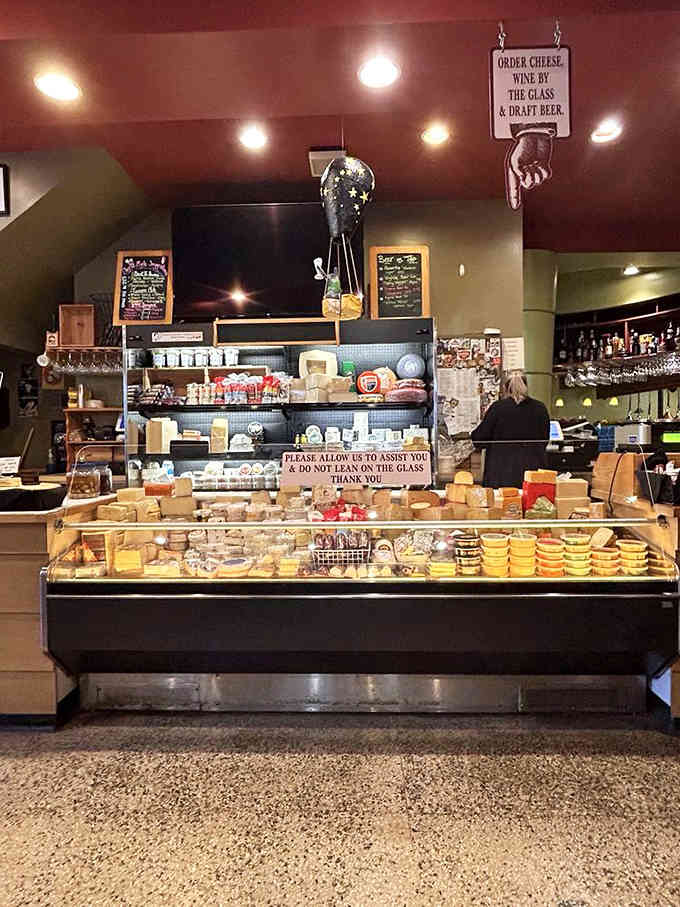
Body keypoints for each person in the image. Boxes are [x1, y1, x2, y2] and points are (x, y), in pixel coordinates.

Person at [470, 372, 550, 489]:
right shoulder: (540, 408)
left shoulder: (497, 408)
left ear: (505, 388)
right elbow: (544, 440)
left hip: (501, 475)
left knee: (502, 500)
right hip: (532, 476)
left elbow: (479, 439)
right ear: (526, 386)